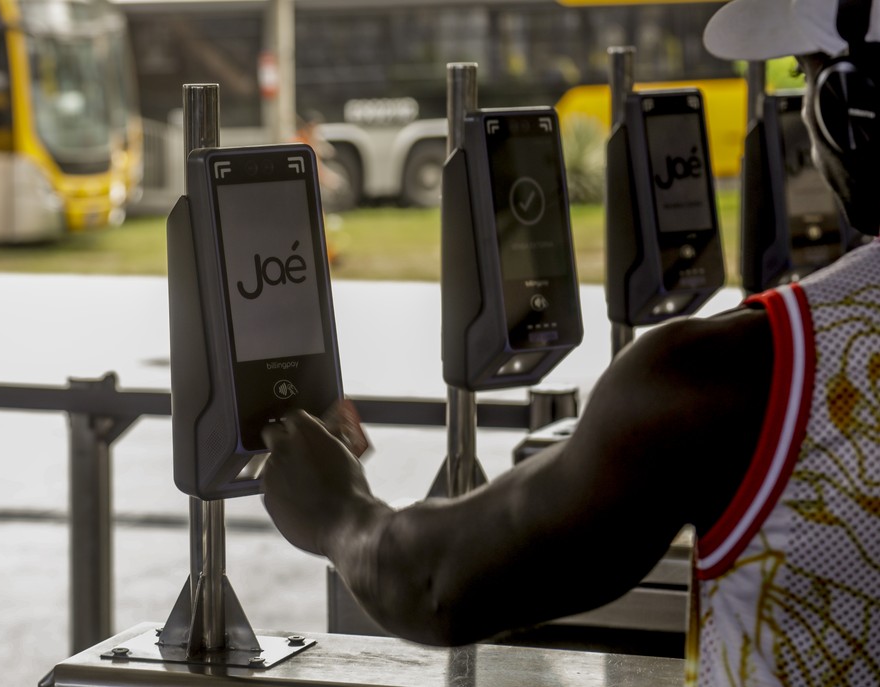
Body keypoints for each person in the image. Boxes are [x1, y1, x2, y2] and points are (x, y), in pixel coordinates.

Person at [261, 0, 880, 684]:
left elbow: (435, 582)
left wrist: (338, 512)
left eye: (805, 76)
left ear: (852, 108)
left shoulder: (729, 377)